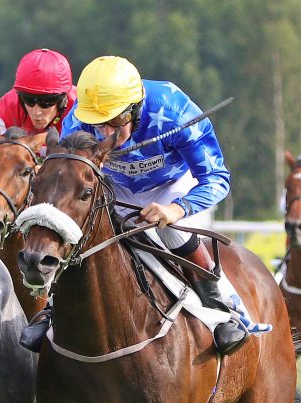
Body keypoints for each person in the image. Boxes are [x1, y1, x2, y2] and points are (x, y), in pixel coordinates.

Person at [23, 55, 246, 355]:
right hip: (114, 189)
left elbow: (217, 177)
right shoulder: (78, 119)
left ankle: (222, 311)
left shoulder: (174, 110)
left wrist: (175, 209)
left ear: (136, 108)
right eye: (98, 123)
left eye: (116, 121)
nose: (105, 132)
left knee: (173, 232)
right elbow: (67, 177)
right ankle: (51, 309)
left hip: (172, 187)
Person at [0, 48, 78, 168]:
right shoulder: (9, 103)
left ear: (62, 100)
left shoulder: (77, 104)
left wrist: (34, 142)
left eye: (46, 102)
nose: (37, 112)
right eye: (29, 100)